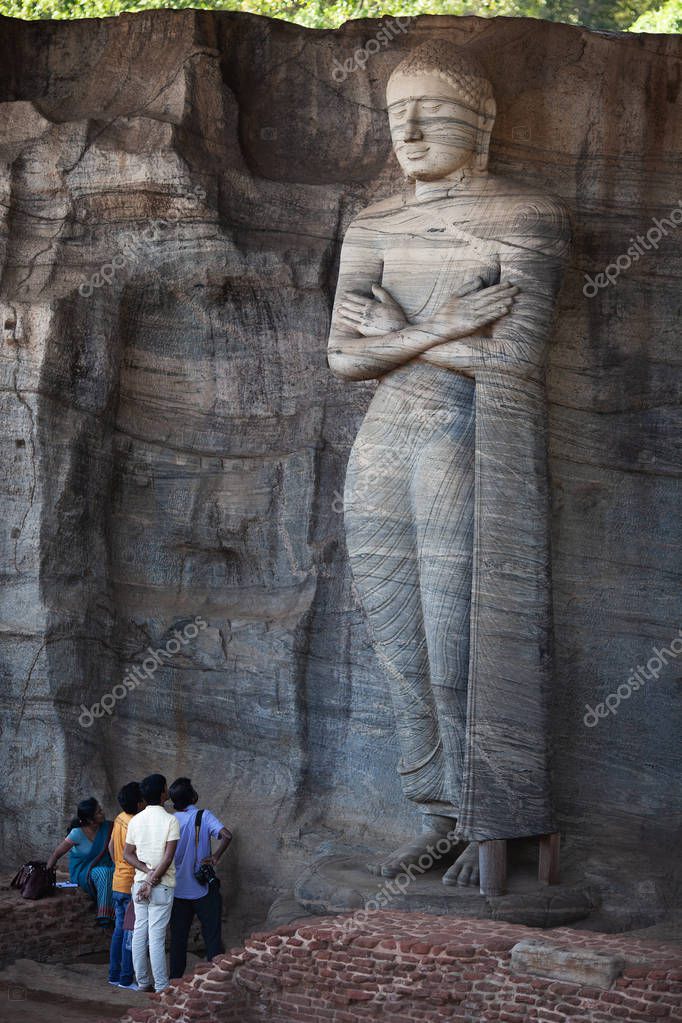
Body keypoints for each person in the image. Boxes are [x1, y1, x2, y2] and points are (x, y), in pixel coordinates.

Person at [167, 777, 232, 979]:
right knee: (212, 934)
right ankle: (214, 980)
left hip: (177, 889)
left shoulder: (171, 820)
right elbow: (226, 835)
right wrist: (215, 856)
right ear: (193, 796)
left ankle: (175, 980)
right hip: (202, 887)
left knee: (178, 937)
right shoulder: (203, 816)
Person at [123, 774, 179, 993]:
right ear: (164, 793)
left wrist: (146, 873)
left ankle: (143, 982)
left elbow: (127, 854)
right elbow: (167, 857)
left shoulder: (136, 820)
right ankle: (162, 986)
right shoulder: (170, 820)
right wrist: (153, 878)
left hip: (140, 884)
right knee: (156, 937)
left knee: (139, 932)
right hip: (162, 885)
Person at [47, 797, 115, 925]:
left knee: (120, 872)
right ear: (90, 820)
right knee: (104, 873)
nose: (103, 813)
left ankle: (122, 915)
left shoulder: (109, 827)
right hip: (83, 873)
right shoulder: (76, 833)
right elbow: (56, 854)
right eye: (99, 812)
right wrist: (46, 875)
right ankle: (105, 916)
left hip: (106, 866)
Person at [107, 781, 145, 989]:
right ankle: (125, 978)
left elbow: (112, 847)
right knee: (130, 933)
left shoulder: (119, 819)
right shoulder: (137, 824)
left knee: (119, 931)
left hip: (118, 881)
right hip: (131, 883)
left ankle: (114, 974)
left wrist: (118, 866)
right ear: (139, 803)